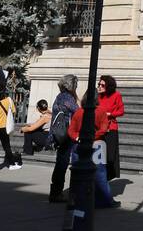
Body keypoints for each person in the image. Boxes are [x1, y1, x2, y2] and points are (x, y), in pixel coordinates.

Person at [67, 93, 117, 208]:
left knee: (77, 173)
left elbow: (71, 130)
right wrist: (92, 137)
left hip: (78, 144)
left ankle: (76, 198)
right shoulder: (101, 111)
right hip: (97, 145)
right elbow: (103, 129)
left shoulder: (79, 112)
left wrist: (79, 137)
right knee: (100, 174)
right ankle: (104, 200)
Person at [48, 74, 79, 203]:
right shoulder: (68, 98)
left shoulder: (59, 97)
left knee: (60, 163)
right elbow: (78, 112)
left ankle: (55, 191)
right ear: (72, 85)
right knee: (63, 163)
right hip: (66, 134)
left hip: (58, 134)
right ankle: (57, 193)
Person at [98, 74, 124, 181]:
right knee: (99, 156)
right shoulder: (97, 96)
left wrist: (110, 114)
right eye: (99, 84)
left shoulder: (116, 95)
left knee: (110, 156)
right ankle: (101, 178)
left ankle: (108, 176)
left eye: (102, 85)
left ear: (108, 86)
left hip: (111, 128)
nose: (99, 86)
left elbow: (121, 111)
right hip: (99, 129)